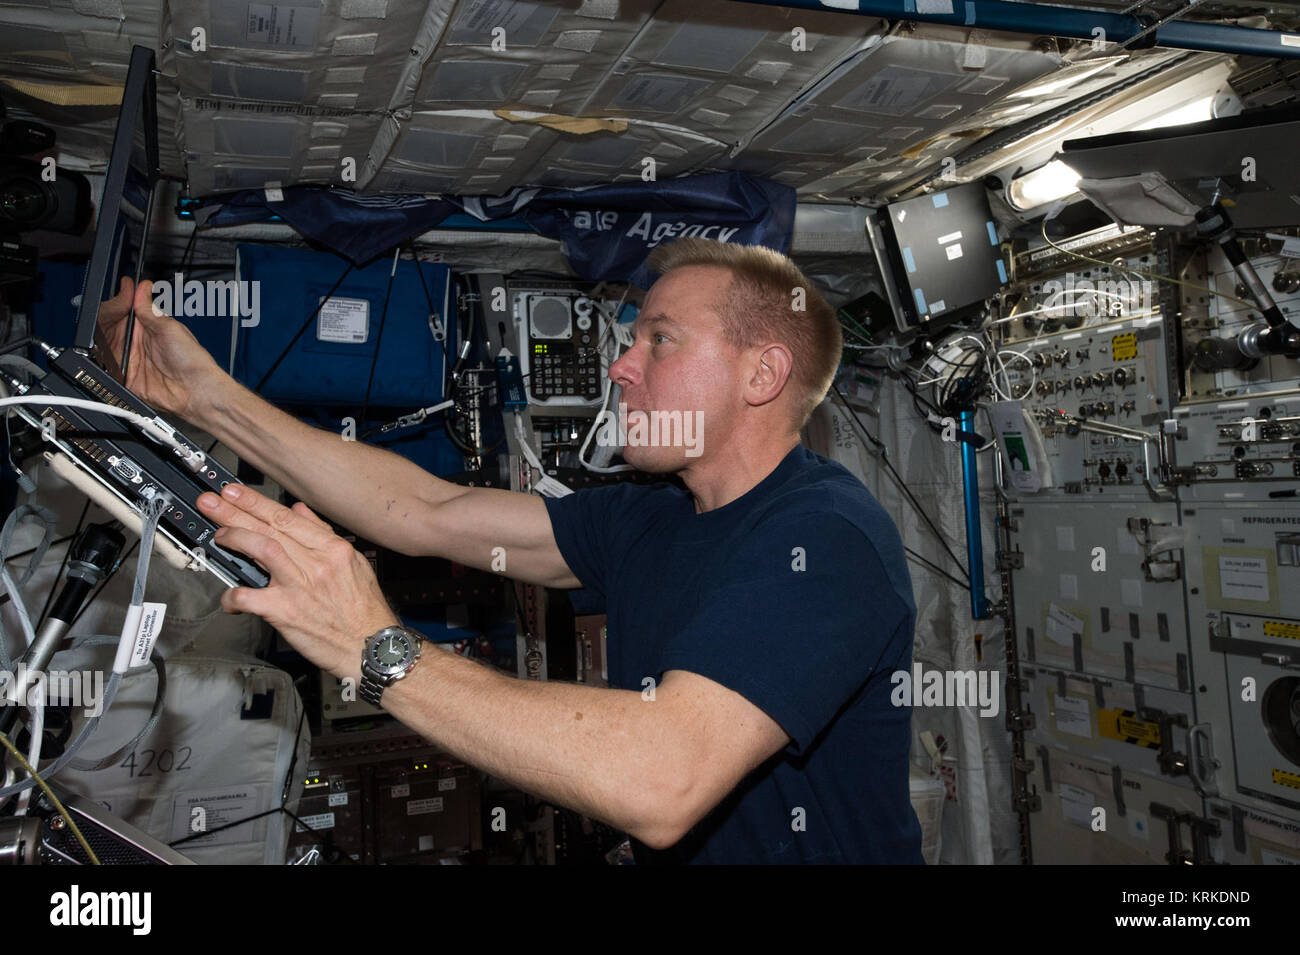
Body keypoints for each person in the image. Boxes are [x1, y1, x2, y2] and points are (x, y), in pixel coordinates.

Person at [97, 237, 924, 864]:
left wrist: (373, 647)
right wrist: (204, 397)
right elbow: (430, 510)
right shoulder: (652, 517)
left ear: (762, 374)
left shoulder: (826, 539)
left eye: (660, 340)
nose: (622, 366)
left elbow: (662, 778)